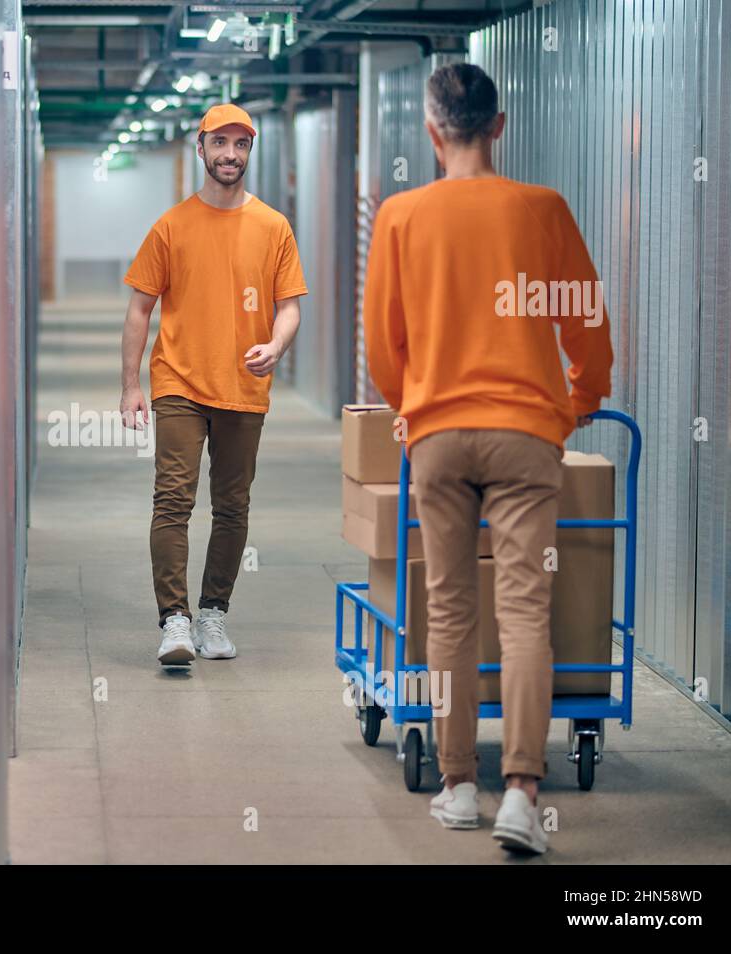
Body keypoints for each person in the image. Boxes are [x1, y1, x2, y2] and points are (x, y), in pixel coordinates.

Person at [363, 63, 614, 854]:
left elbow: (382, 343)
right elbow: (585, 319)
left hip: (436, 436)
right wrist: (581, 398)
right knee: (525, 611)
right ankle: (522, 796)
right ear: (499, 127)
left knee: (447, 609)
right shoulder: (542, 210)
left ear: (433, 134)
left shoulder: (402, 216)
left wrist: (416, 405)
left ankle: (460, 786)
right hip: (525, 436)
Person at [120, 103, 309, 670]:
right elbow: (139, 310)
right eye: (220, 143)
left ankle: (213, 612)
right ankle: (174, 620)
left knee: (232, 506)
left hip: (243, 388)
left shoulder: (273, 226)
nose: (230, 154)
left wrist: (275, 347)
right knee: (173, 499)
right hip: (178, 379)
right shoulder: (171, 225)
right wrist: (131, 385)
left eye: (241, 145)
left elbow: (290, 307)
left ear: (250, 151)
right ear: (200, 149)